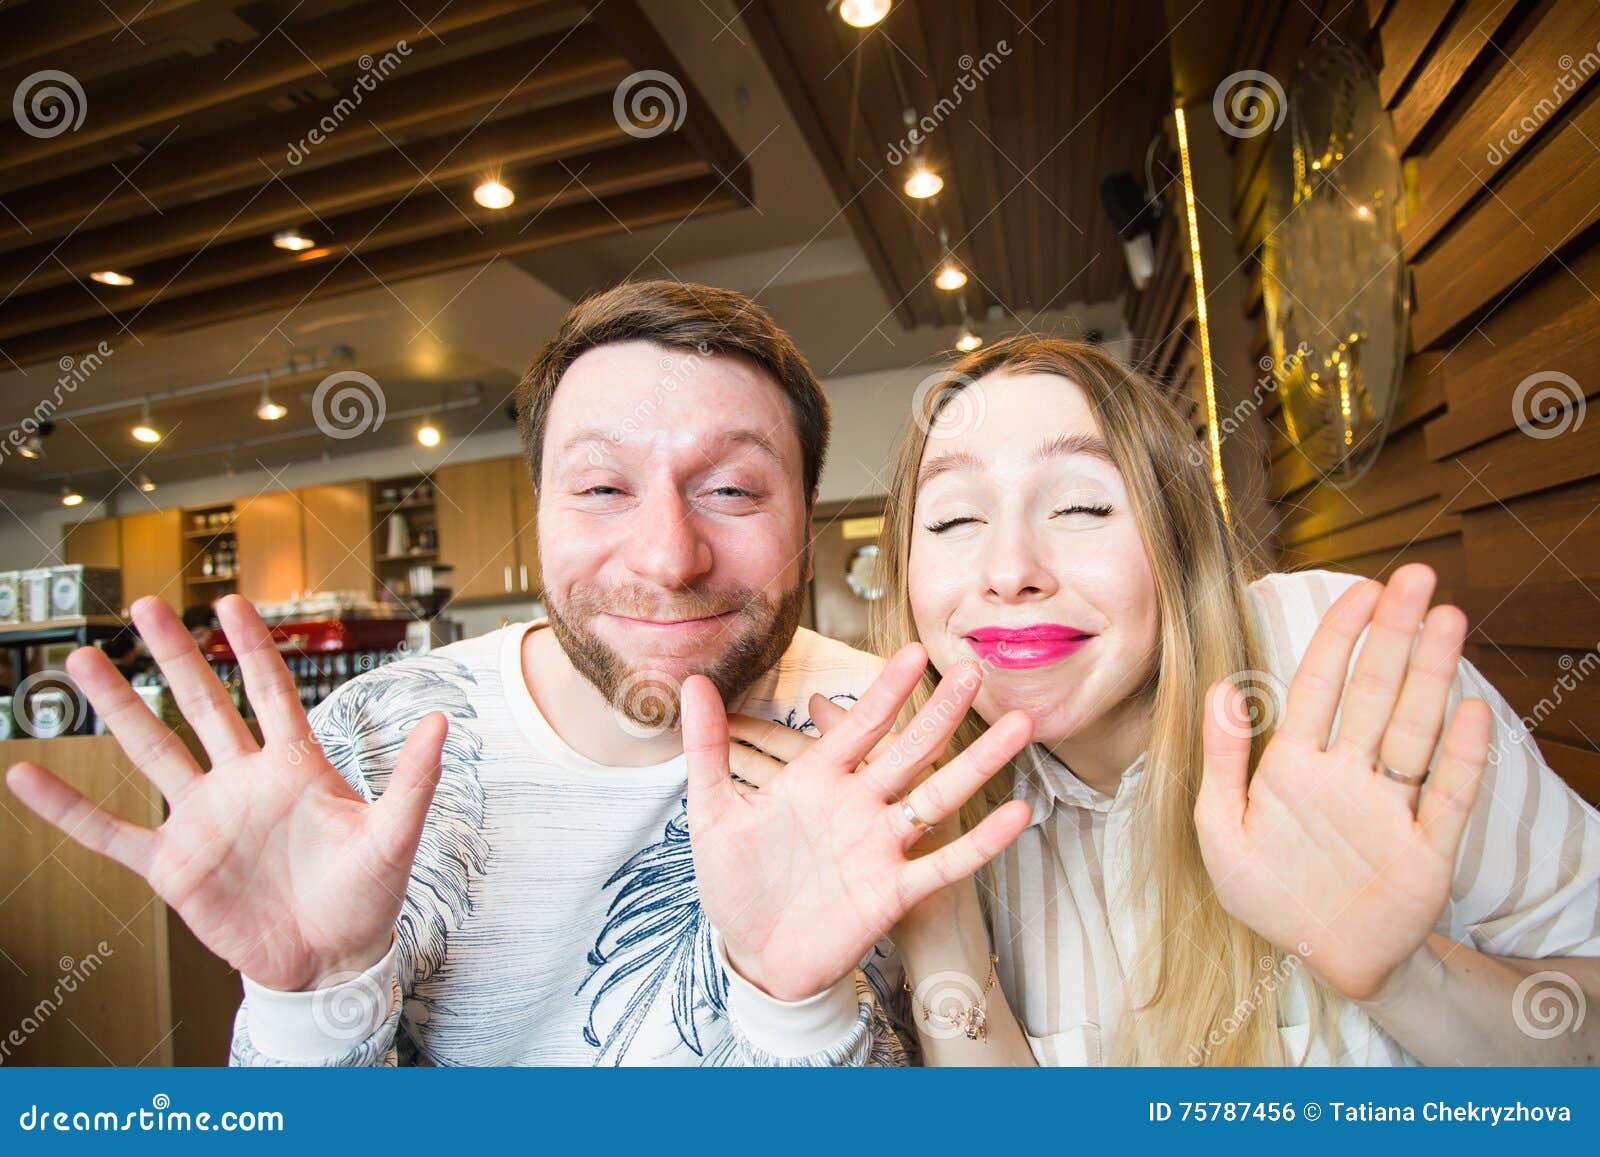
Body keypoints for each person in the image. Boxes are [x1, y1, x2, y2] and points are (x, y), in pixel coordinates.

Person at [3, 281, 1029, 1066]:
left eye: (728, 487)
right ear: (537, 520)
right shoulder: (368, 741)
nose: (668, 556)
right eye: (600, 486)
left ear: (804, 529)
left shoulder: (907, 741)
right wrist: (312, 1000)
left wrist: (797, 1007)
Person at [721, 336, 1600, 1065]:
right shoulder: (923, 803)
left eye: (1080, 505)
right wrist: (941, 931)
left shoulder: (1334, 669)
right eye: (953, 521)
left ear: (1177, 540)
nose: (1009, 571)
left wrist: (1406, 976)